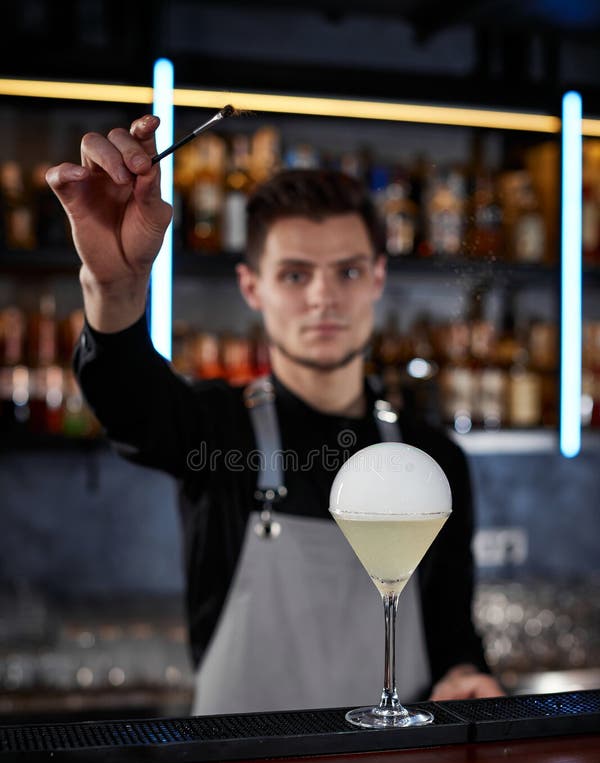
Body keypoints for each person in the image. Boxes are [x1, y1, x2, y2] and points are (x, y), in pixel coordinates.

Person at [46, 114, 503, 714]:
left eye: (347, 270)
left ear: (377, 280)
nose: (322, 296)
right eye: (294, 274)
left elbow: (452, 633)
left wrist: (467, 676)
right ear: (252, 287)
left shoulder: (430, 459)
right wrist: (114, 287)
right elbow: (128, 403)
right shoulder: (214, 431)